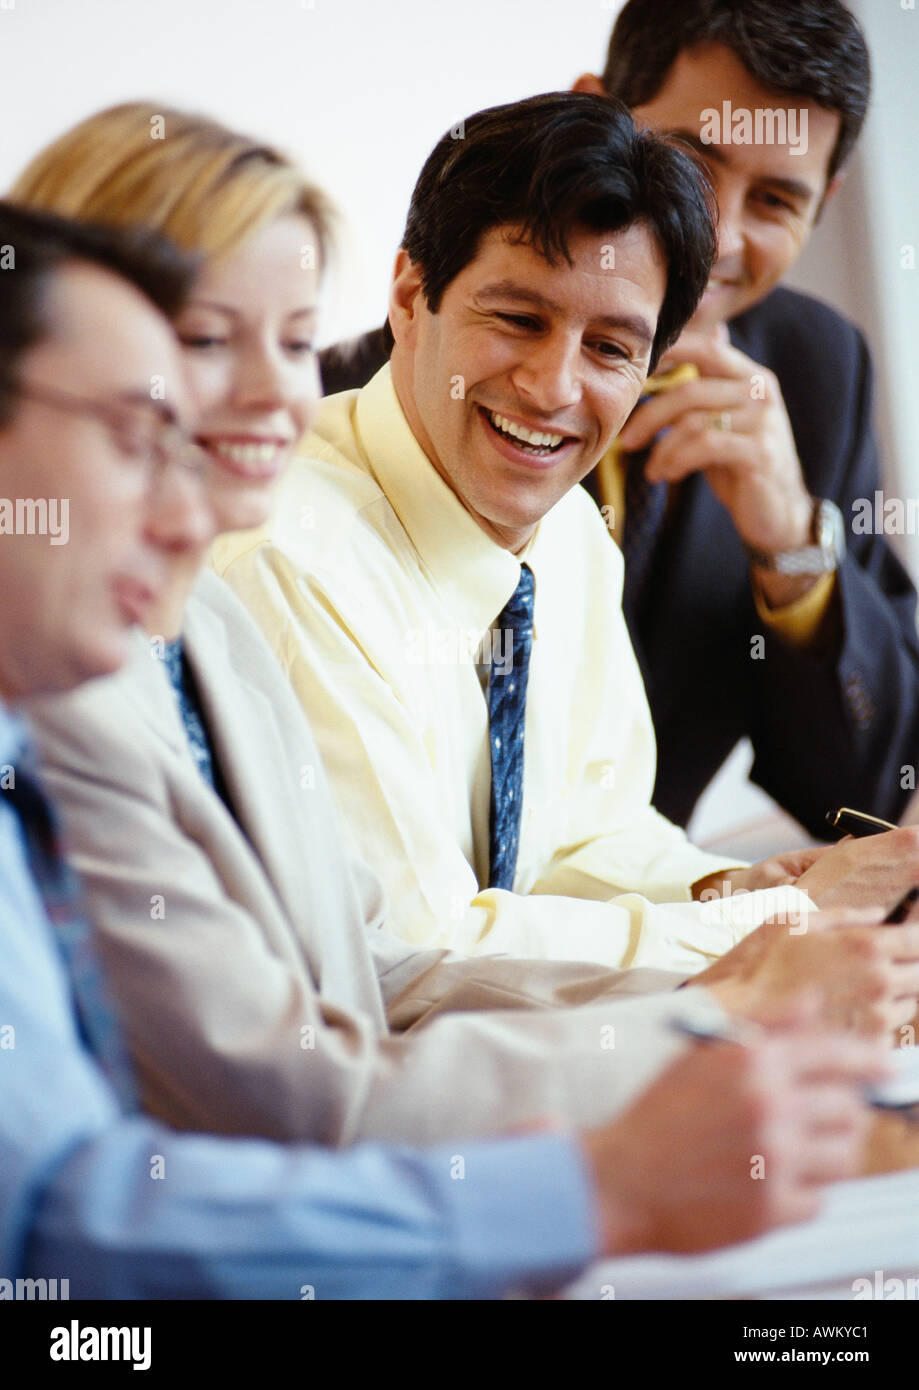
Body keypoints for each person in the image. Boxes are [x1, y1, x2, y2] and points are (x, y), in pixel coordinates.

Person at [0, 200, 883, 1299]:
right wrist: (684, 1058)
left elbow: (396, 957)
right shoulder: (241, 577)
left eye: (293, 337)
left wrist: (744, 896)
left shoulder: (217, 625)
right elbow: (102, 1200)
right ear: (409, 298)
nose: (278, 401)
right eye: (143, 427)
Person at [212, 91, 919, 972]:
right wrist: (770, 929)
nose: (554, 389)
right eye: (518, 319)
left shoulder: (570, 532)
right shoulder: (289, 552)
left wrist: (739, 893)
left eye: (611, 349)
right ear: (408, 295)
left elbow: (588, 839)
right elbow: (410, 955)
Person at [320, 0, 919, 840]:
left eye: (777, 200)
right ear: (597, 112)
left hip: (672, 922)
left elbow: (872, 795)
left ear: (826, 201)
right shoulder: (331, 409)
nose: (717, 234)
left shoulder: (816, 370)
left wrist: (791, 546)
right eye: (693, 165)